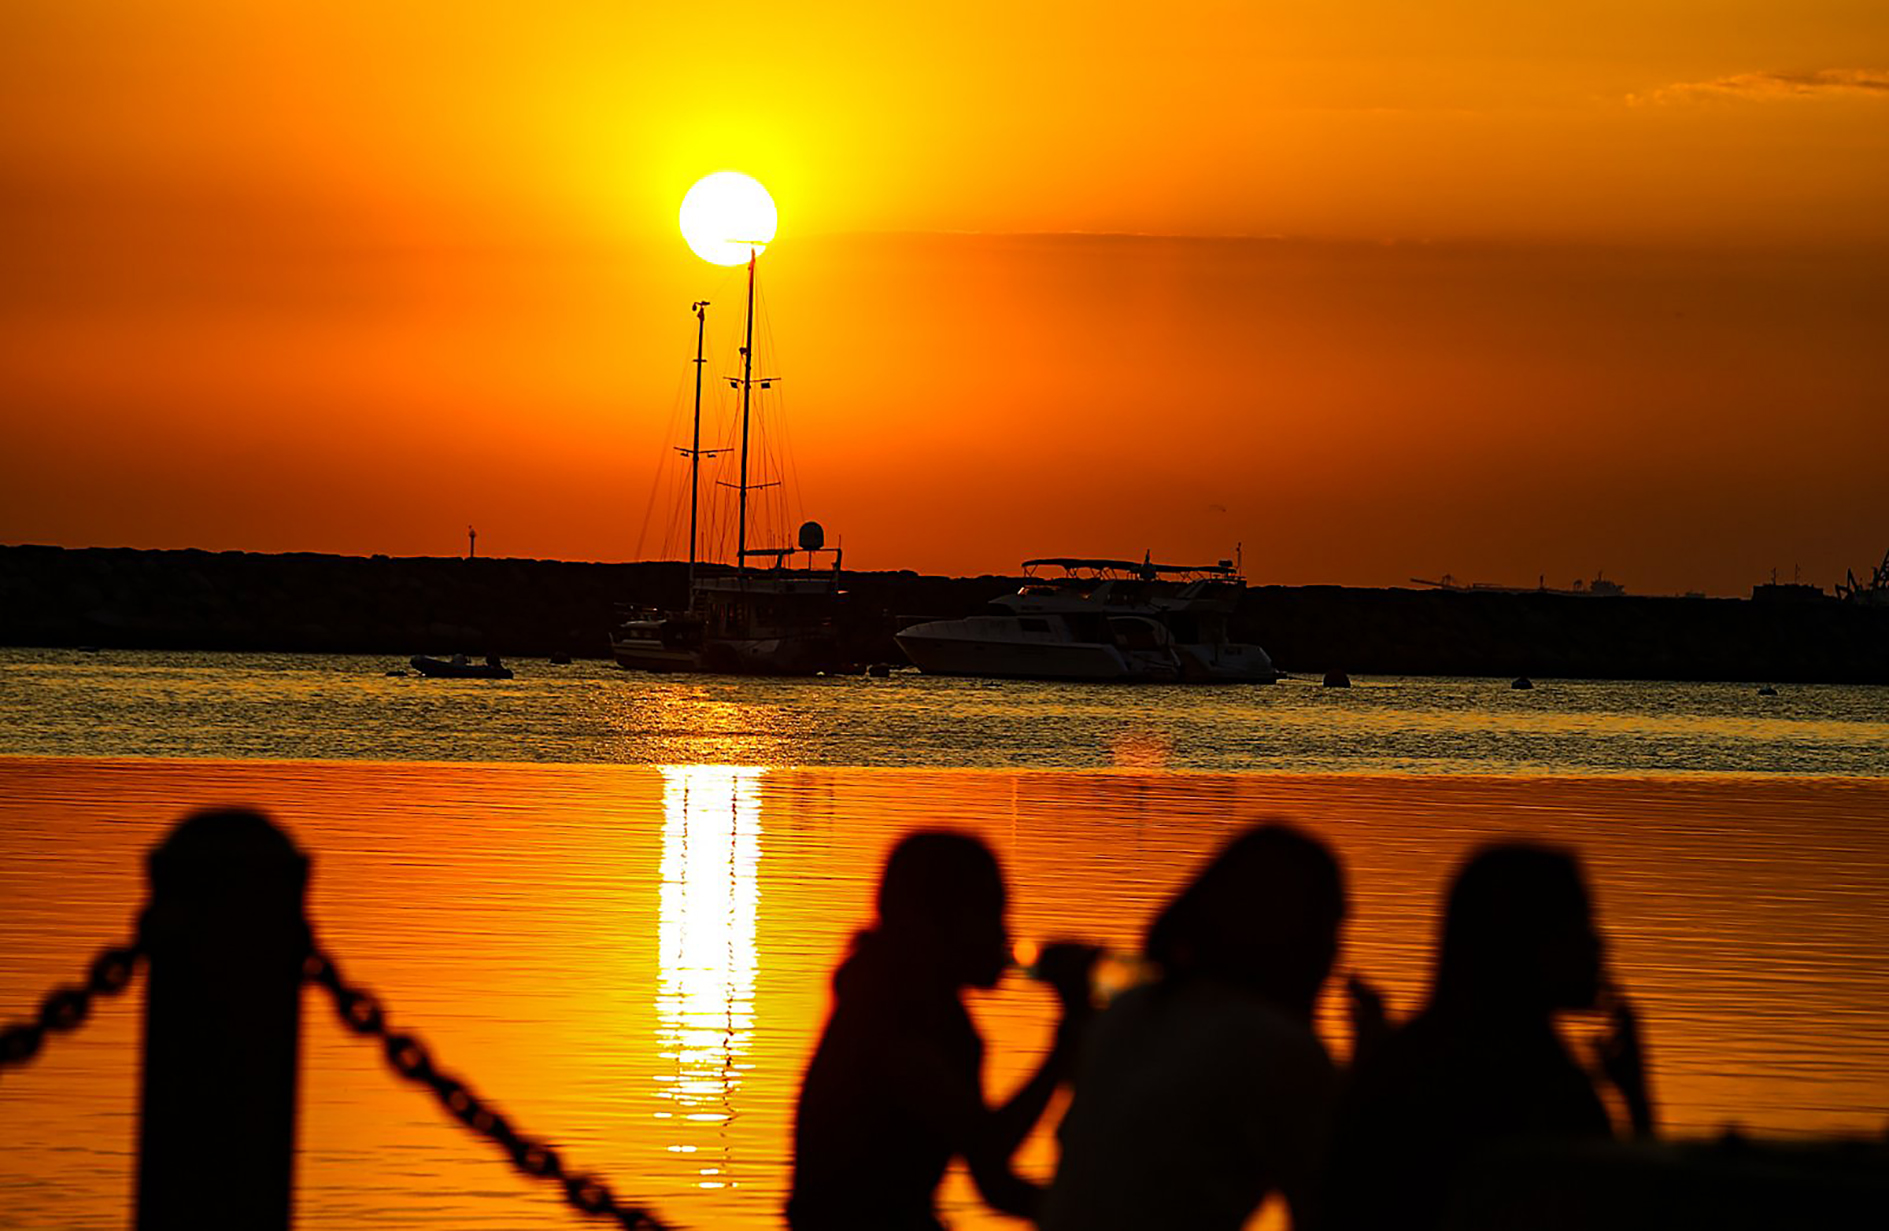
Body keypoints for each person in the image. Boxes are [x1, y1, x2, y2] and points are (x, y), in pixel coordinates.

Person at [1323, 842, 1655, 1231]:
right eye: (1578, 924)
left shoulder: (1398, 1061)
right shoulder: (1549, 1094)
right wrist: (1637, 1103)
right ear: (1524, 944)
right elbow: (1630, 1214)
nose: (1598, 944)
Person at [1041, 823, 1351, 1231]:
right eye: (1332, 928)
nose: (1336, 952)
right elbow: (1335, 1210)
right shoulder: (1274, 1046)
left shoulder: (1132, 1009)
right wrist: (1371, 1087)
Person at [786, 831, 1092, 1231]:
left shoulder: (932, 1016)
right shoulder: (889, 1022)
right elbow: (988, 1147)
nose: (1004, 936)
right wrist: (1065, 1045)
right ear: (931, 924)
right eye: (989, 915)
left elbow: (994, 1183)